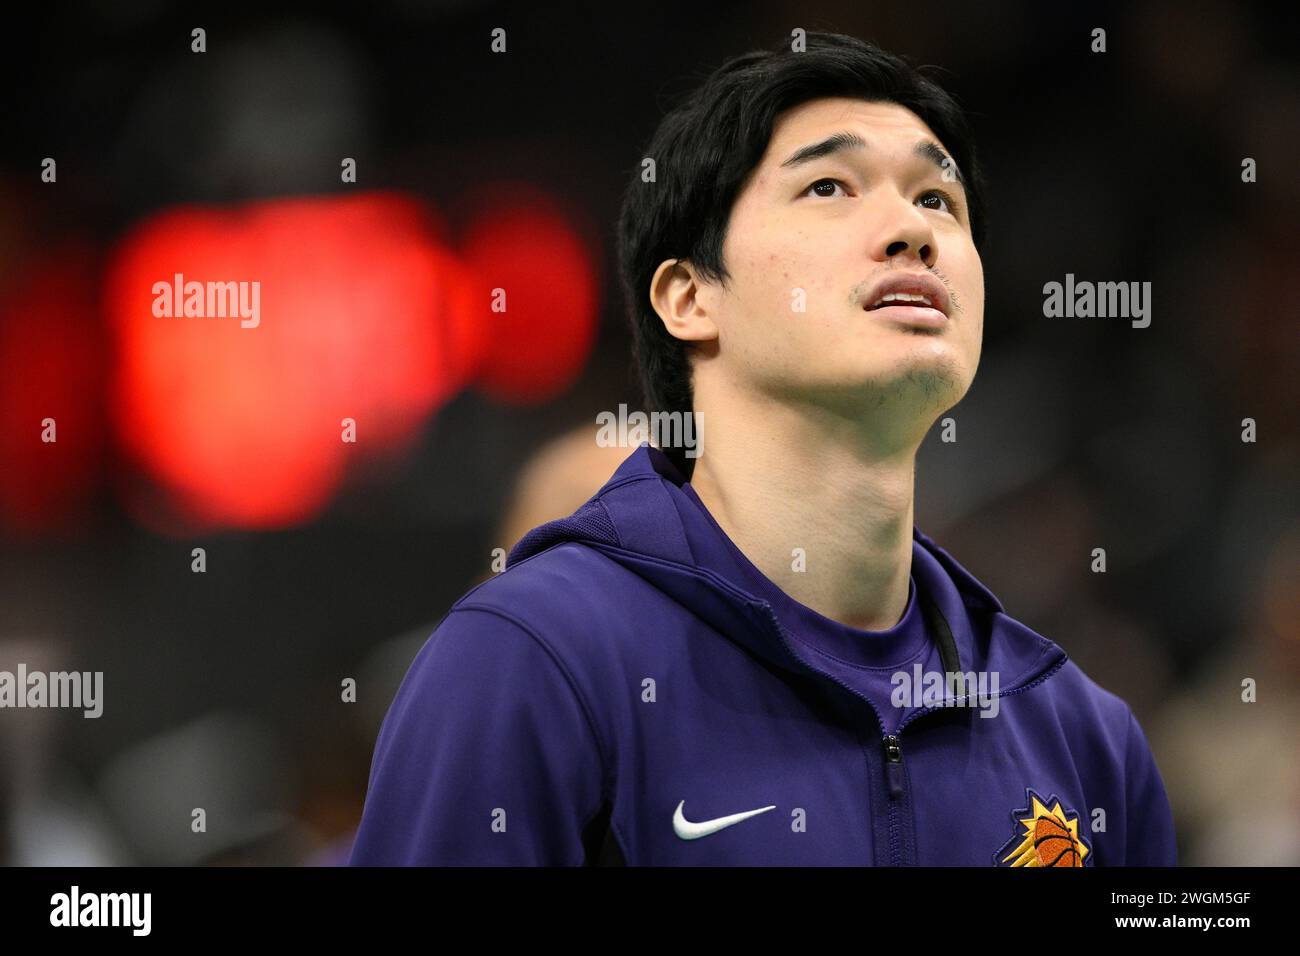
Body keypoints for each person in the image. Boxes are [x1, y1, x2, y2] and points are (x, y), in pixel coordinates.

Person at [349, 31, 1176, 866]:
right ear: (688, 297)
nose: (912, 232)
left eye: (938, 200)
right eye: (829, 185)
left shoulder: (1082, 737)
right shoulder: (528, 662)